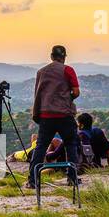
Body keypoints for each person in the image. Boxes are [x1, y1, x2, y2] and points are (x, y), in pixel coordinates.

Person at [29, 44, 81, 189]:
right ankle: (72, 178)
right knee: (70, 145)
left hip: (46, 115)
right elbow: (76, 92)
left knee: (41, 146)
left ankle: (33, 180)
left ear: (52, 56)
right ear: (64, 57)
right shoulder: (68, 70)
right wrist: (67, 98)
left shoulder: (41, 72)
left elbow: (38, 93)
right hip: (64, 114)